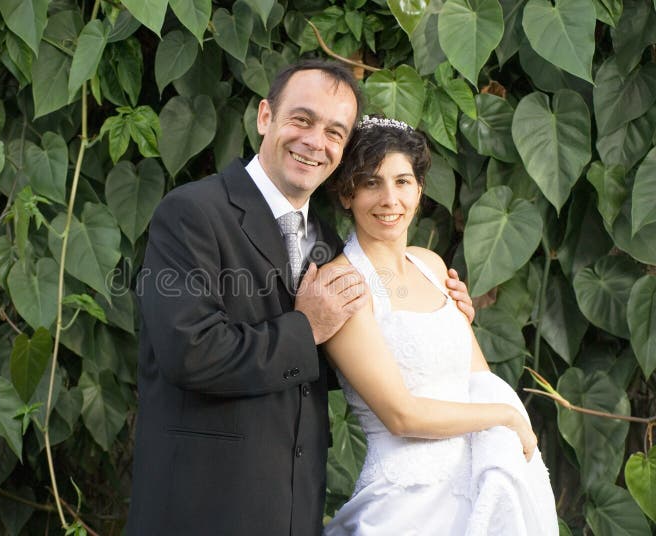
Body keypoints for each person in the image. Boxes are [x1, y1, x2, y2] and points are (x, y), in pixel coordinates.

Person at [126, 60, 474, 536]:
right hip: (203, 506)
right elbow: (191, 352)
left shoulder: (328, 244)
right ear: (265, 117)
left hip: (293, 508)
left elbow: (342, 362)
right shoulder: (192, 213)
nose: (316, 142)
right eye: (302, 120)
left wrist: (439, 321)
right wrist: (305, 327)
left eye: (335, 131)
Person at [322, 115, 558, 535]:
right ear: (346, 194)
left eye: (402, 181)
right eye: (371, 183)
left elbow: (477, 378)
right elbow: (402, 416)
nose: (389, 199)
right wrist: (506, 417)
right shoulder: (344, 285)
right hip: (408, 500)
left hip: (478, 477)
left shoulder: (430, 265)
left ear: (420, 189)